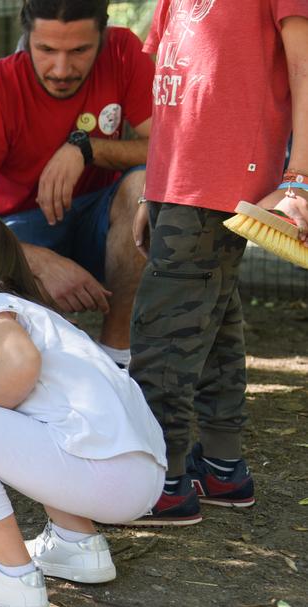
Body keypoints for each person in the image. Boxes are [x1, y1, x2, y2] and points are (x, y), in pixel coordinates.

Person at [0, 213, 166, 607]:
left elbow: (20, 360)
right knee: (35, 415)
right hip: (144, 474)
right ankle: (76, 545)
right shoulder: (36, 314)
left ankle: (9, 576)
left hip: (107, 473)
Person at [129, 1, 308, 525]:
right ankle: (221, 467)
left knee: (163, 328)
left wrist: (299, 176)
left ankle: (159, 479)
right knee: (212, 315)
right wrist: (150, 188)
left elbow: (302, 66)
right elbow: (173, 85)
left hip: (222, 178)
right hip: (175, 178)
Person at [0, 0, 154, 368]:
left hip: (100, 219)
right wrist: (37, 260)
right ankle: (32, 362)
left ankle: (118, 358)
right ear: (26, 38)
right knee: (7, 301)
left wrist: (87, 148)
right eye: (46, 50)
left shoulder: (123, 50)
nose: (62, 68)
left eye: (80, 50)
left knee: (145, 187)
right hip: (18, 230)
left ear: (102, 35)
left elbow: (167, 147)